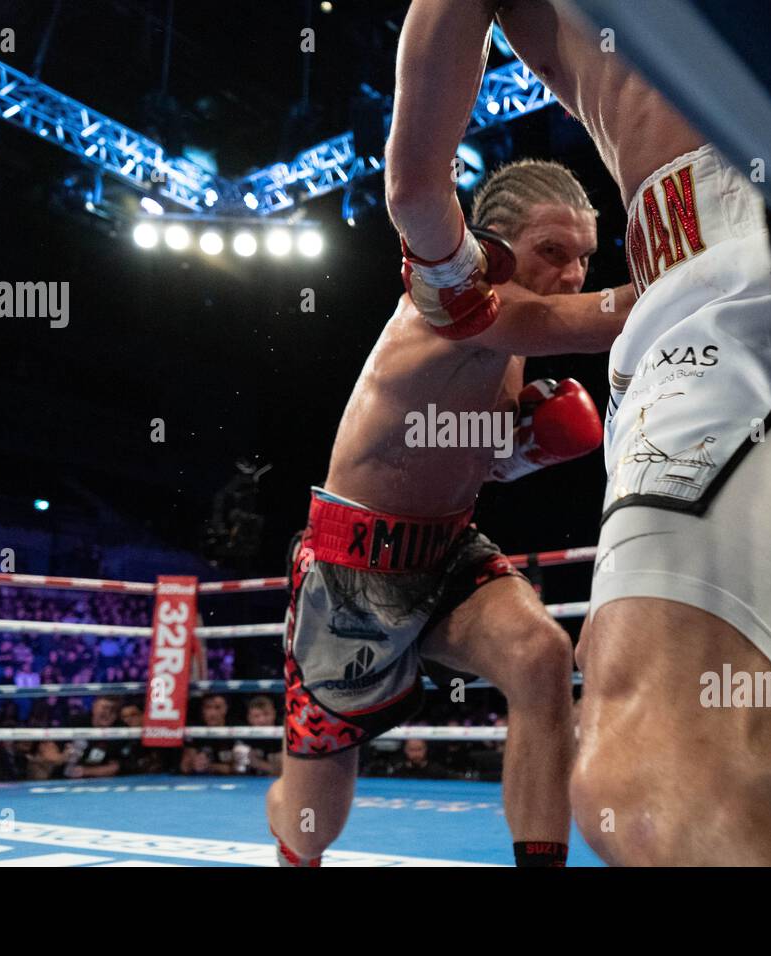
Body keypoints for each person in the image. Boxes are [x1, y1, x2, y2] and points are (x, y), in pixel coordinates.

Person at [387, 0, 771, 864]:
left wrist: (444, 264)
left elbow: (414, 196)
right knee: (699, 735)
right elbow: (512, 320)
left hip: (734, 267)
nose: (571, 268)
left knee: (649, 776)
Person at [267, 157, 633, 868]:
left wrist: (526, 447)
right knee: (315, 820)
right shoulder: (451, 300)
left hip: (448, 547)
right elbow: (579, 322)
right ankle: (286, 830)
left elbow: (476, 458)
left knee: (541, 656)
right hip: (352, 568)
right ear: (492, 247)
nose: (570, 276)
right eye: (551, 253)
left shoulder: (517, 342)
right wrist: (697, 282)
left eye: (584, 259)